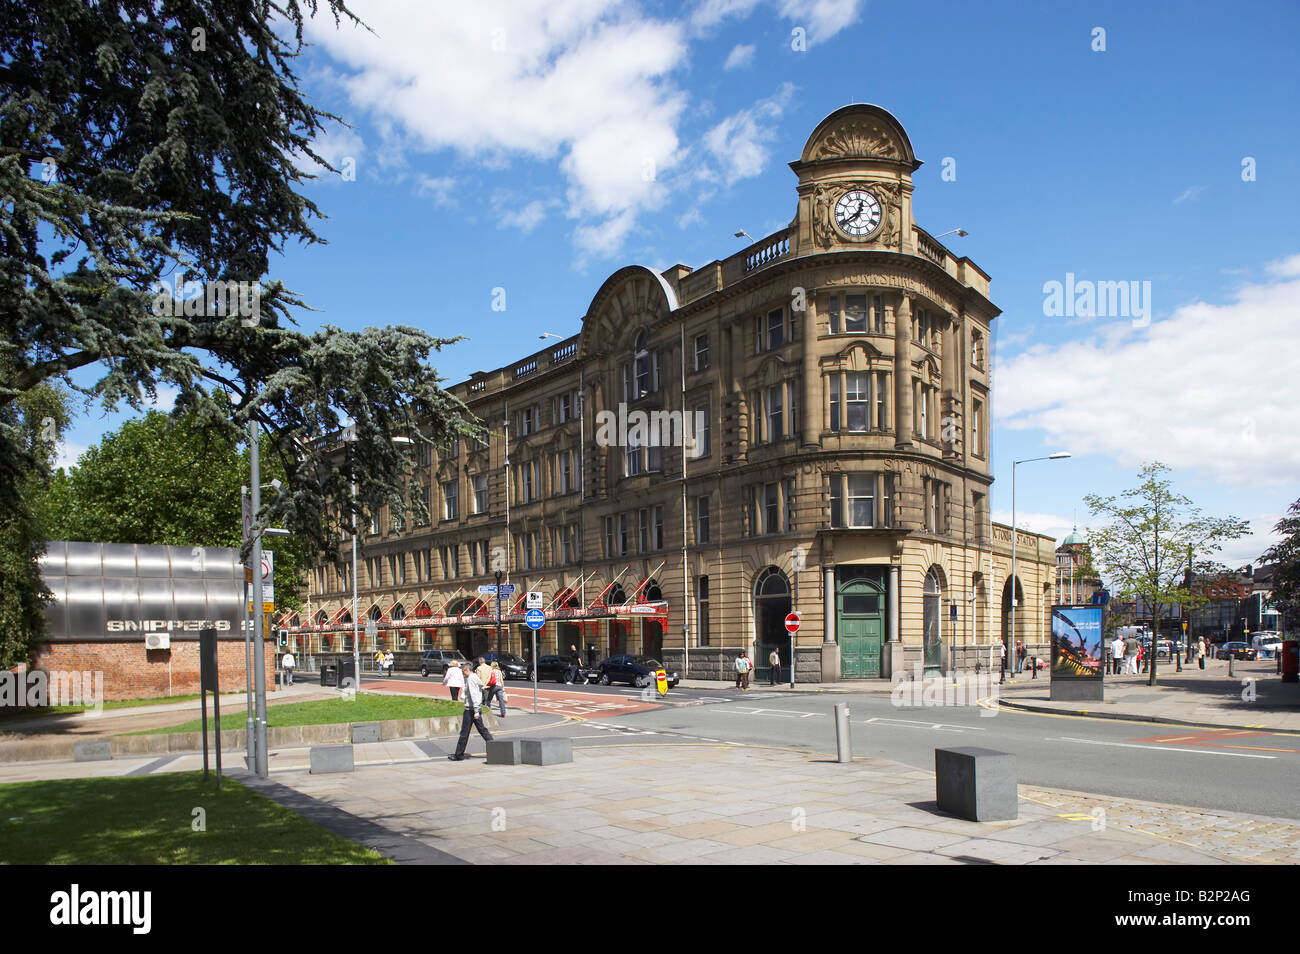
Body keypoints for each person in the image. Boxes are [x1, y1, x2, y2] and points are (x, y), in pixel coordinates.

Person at [448, 663, 493, 761]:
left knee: (464, 733)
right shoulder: (475, 677)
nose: (462, 673)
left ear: (466, 670)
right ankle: (495, 749)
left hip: (471, 710)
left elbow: (474, 695)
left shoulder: (471, 679)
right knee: (483, 730)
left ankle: (458, 755)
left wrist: (476, 710)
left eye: (462, 671)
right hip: (475, 709)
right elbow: (480, 687)